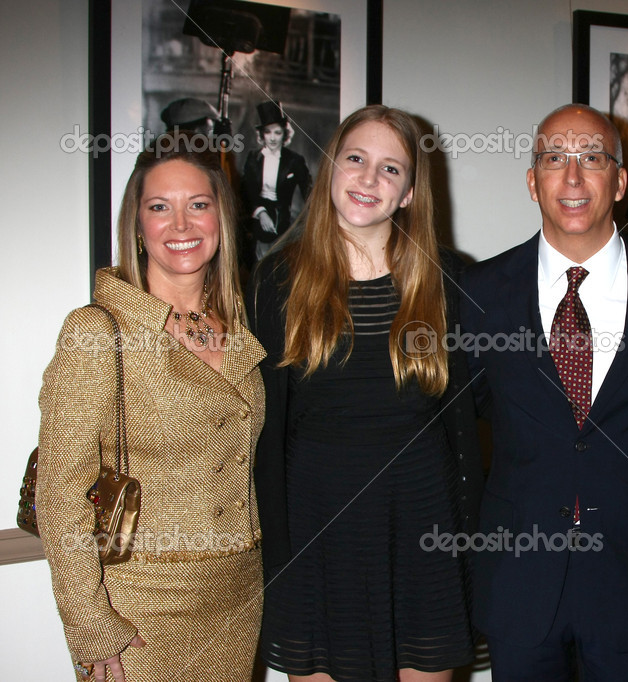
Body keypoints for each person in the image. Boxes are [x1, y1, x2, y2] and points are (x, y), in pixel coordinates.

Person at [459, 104, 628, 681]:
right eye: (555, 159)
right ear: (532, 181)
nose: (573, 176)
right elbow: (466, 415)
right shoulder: (480, 292)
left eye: (592, 158)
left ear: (621, 181)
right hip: (519, 579)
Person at [247, 104, 481, 682]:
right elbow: (261, 426)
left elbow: (477, 417)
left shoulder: (450, 280)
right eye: (355, 158)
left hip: (425, 527)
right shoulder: (277, 280)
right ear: (330, 167)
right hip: (314, 530)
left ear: (409, 193)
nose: (369, 178)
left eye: (391, 168)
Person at [36, 133, 266, 682]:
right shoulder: (98, 332)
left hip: (237, 601)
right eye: (160, 207)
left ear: (221, 219)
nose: (181, 224)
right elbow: (59, 492)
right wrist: (91, 624)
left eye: (198, 204)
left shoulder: (240, 325)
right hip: (136, 611)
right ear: (137, 226)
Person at [242, 100, 311, 263]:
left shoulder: (294, 160)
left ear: (285, 134)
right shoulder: (253, 158)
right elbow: (245, 191)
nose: (272, 138)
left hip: (283, 222)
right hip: (256, 219)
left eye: (277, 133)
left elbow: (309, 191)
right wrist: (261, 212)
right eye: (268, 132)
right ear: (262, 135)